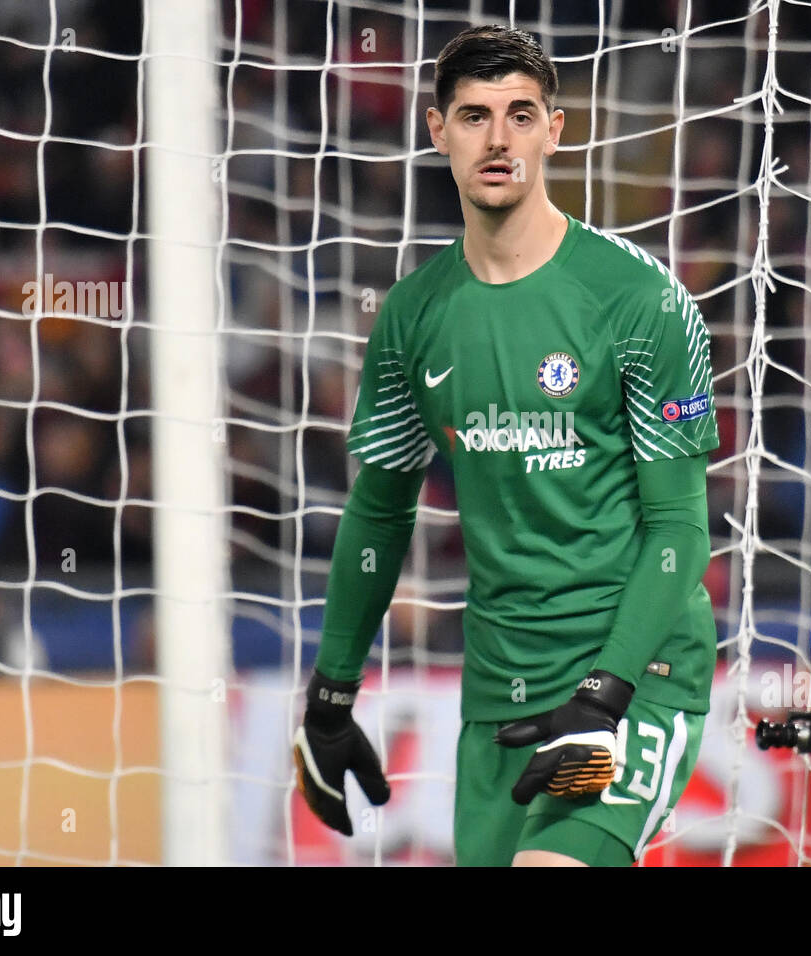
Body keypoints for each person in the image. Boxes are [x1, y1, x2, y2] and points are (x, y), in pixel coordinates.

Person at [293, 24, 718, 867]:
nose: (499, 139)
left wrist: (605, 697)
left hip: (632, 678)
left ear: (555, 131)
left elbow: (680, 530)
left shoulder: (639, 302)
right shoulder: (413, 317)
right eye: (476, 115)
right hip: (498, 691)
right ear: (436, 129)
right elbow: (379, 513)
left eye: (521, 115)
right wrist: (332, 698)